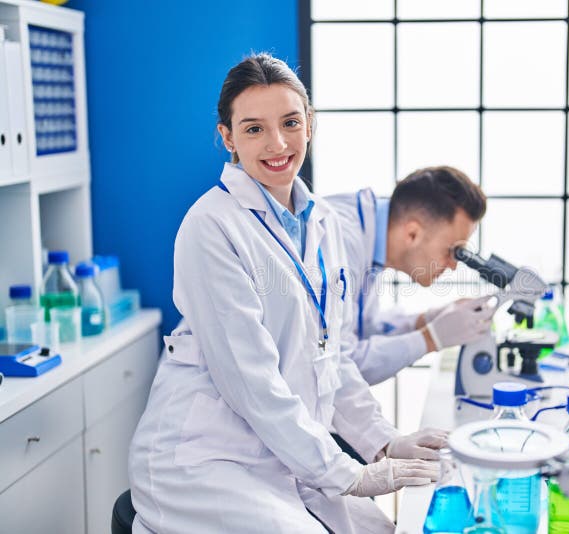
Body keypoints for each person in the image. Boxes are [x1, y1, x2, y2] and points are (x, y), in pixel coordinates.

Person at [128, 53, 444, 534]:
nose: (277, 144)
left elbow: (331, 359)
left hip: (285, 453)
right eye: (253, 129)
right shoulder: (211, 226)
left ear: (310, 125)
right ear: (227, 137)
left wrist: (383, 443)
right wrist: (350, 474)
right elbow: (250, 382)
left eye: (290, 122)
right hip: (206, 459)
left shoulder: (322, 224)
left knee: (383, 530)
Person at [326, 167, 496, 386]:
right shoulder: (340, 241)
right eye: (452, 251)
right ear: (412, 234)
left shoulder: (372, 234)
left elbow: (361, 329)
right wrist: (431, 338)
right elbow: (338, 367)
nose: (453, 266)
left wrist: (426, 320)